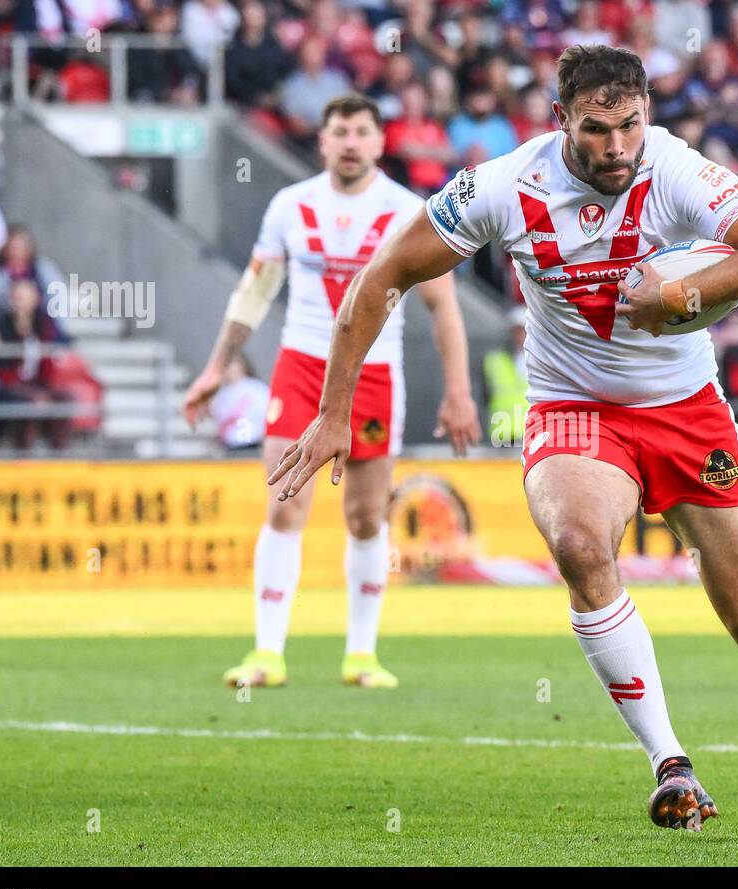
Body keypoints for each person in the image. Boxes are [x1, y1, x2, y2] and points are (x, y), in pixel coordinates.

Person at [269, 46, 738, 830]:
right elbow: (381, 276)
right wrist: (332, 411)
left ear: (647, 115)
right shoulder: (501, 187)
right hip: (572, 406)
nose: (617, 146)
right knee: (583, 546)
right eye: (597, 130)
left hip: (686, 408)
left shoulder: (676, 169)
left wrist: (684, 291)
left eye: (630, 125)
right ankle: (671, 765)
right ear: (561, 121)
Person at [183, 94, 481, 691]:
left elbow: (443, 306)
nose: (349, 142)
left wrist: (458, 392)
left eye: (361, 131)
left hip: (375, 375)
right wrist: (217, 365)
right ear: (322, 141)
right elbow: (254, 291)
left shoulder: (408, 210)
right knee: (284, 504)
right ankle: (267, 652)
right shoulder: (290, 206)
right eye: (339, 131)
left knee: (366, 516)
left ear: (378, 141)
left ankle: (361, 654)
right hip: (301, 368)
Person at [0, 278, 74, 451]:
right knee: (30, 402)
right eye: (18, 297)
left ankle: (58, 451)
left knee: (65, 399)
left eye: (25, 297)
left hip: (37, 384)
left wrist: (44, 390)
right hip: (10, 385)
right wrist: (34, 393)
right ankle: (25, 453)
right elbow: (0, 369)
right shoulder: (2, 326)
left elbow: (54, 353)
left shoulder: (43, 324)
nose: (21, 302)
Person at [482, 307, 530, 447]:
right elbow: (486, 396)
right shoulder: (495, 360)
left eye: (524, 329)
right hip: (502, 437)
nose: (520, 334)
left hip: (535, 434)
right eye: (517, 330)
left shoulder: (545, 359)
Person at [210, 354, 270, 451]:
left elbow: (266, 415)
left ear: (242, 365)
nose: (229, 368)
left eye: (231, 363)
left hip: (252, 445)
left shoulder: (257, 389)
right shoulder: (221, 395)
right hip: (228, 446)